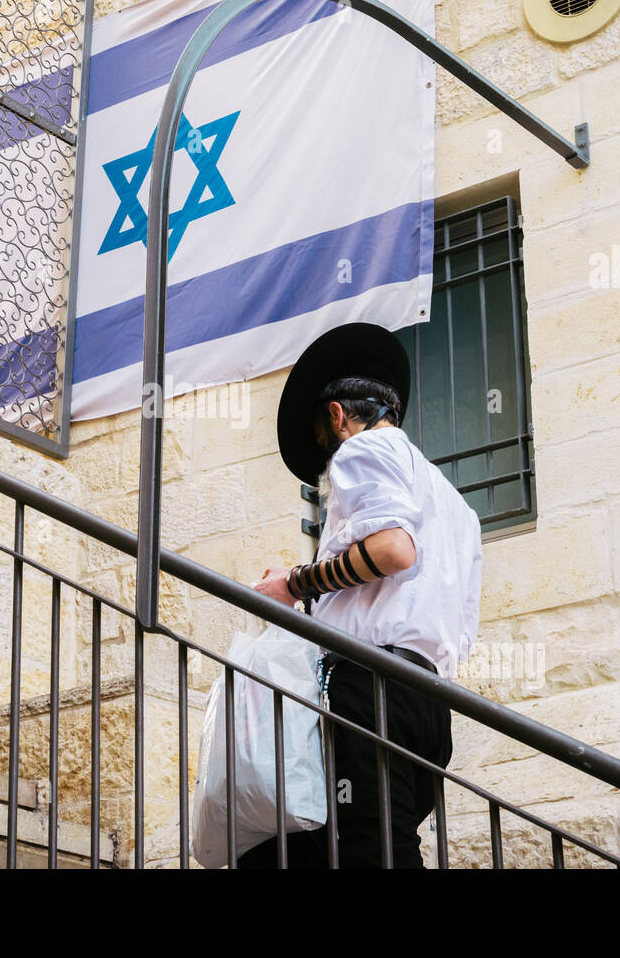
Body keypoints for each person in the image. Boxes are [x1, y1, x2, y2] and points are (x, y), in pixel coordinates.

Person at [239, 321, 483, 869]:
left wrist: (294, 582)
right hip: (430, 702)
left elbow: (394, 551)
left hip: (371, 688)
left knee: (374, 849)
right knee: (327, 846)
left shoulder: (360, 449)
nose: (328, 463)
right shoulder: (455, 505)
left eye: (323, 443)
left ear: (336, 416)